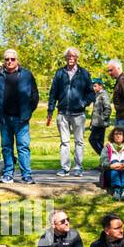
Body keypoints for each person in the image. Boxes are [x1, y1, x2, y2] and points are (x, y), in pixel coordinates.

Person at [0, 49, 40, 185]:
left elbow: (34, 95)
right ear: (4, 61)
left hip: (21, 119)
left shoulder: (26, 75)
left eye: (12, 59)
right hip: (4, 119)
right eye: (7, 59)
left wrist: (28, 112)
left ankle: (26, 175)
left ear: (17, 60)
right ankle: (8, 173)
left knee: (23, 147)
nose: (9, 61)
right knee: (6, 146)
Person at [46, 47, 94, 177]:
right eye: (68, 56)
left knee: (79, 141)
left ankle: (78, 167)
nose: (71, 58)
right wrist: (50, 110)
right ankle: (65, 168)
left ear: (77, 58)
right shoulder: (59, 73)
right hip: (62, 113)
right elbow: (53, 93)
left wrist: (83, 103)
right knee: (64, 142)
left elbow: (91, 93)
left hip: (78, 113)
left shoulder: (83, 73)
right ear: (65, 58)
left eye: (73, 56)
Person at [100, 125, 124, 199]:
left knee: (123, 162)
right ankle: (117, 190)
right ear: (113, 136)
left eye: (120, 134)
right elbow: (103, 162)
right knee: (114, 162)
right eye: (116, 134)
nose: (118, 136)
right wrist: (111, 165)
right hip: (110, 174)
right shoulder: (107, 147)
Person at [106, 59, 124, 141]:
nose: (109, 73)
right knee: (122, 143)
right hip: (121, 117)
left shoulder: (123, 80)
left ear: (118, 68)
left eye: (111, 70)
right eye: (108, 71)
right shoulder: (120, 80)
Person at [88, 77, 112, 158]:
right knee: (99, 142)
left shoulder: (104, 95)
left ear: (100, 86)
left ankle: (106, 158)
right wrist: (92, 122)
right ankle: (104, 163)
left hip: (100, 124)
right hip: (96, 123)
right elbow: (95, 110)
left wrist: (101, 119)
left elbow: (108, 109)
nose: (93, 87)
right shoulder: (97, 95)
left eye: (95, 86)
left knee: (92, 140)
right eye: (93, 86)